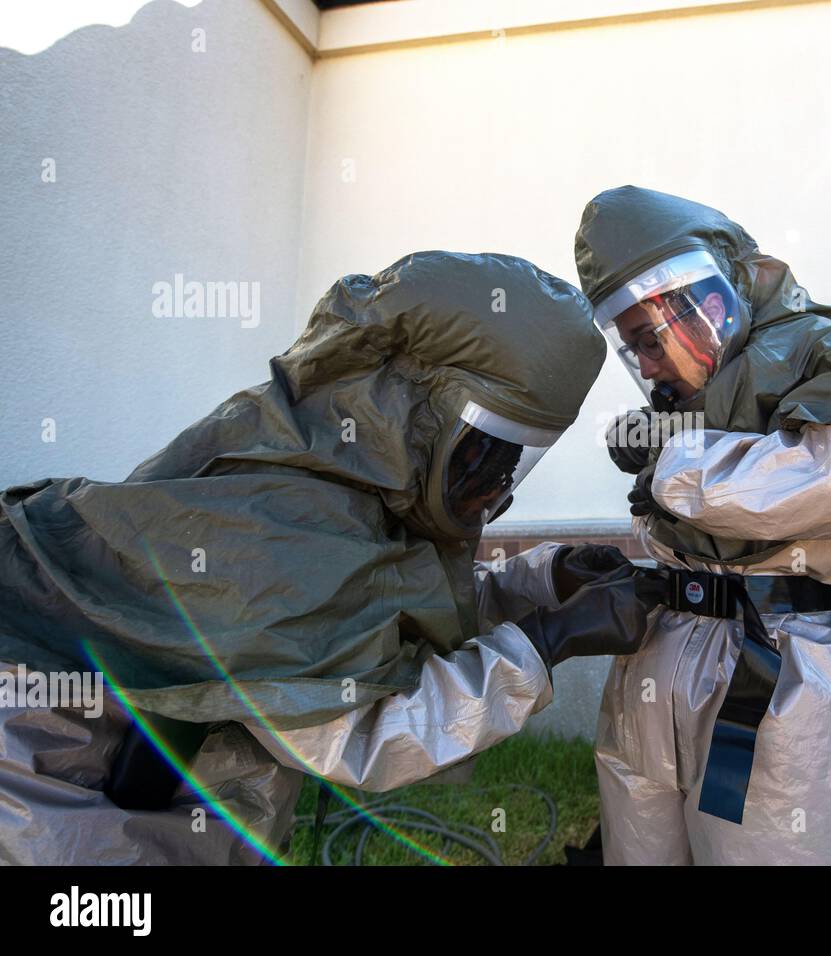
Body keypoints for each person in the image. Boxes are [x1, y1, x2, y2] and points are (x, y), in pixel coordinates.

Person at [0, 251, 662, 864]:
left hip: (135, 766)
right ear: (415, 407)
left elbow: (369, 612)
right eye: (490, 448)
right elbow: (363, 734)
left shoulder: (333, 465)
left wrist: (538, 583)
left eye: (518, 459)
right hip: (53, 778)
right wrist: (548, 642)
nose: (497, 484)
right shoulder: (285, 521)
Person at [575, 186, 831, 865]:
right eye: (631, 350)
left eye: (647, 341)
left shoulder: (818, 348)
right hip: (659, 657)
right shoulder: (693, 395)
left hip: (781, 669)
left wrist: (679, 462)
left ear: (709, 304)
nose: (648, 367)